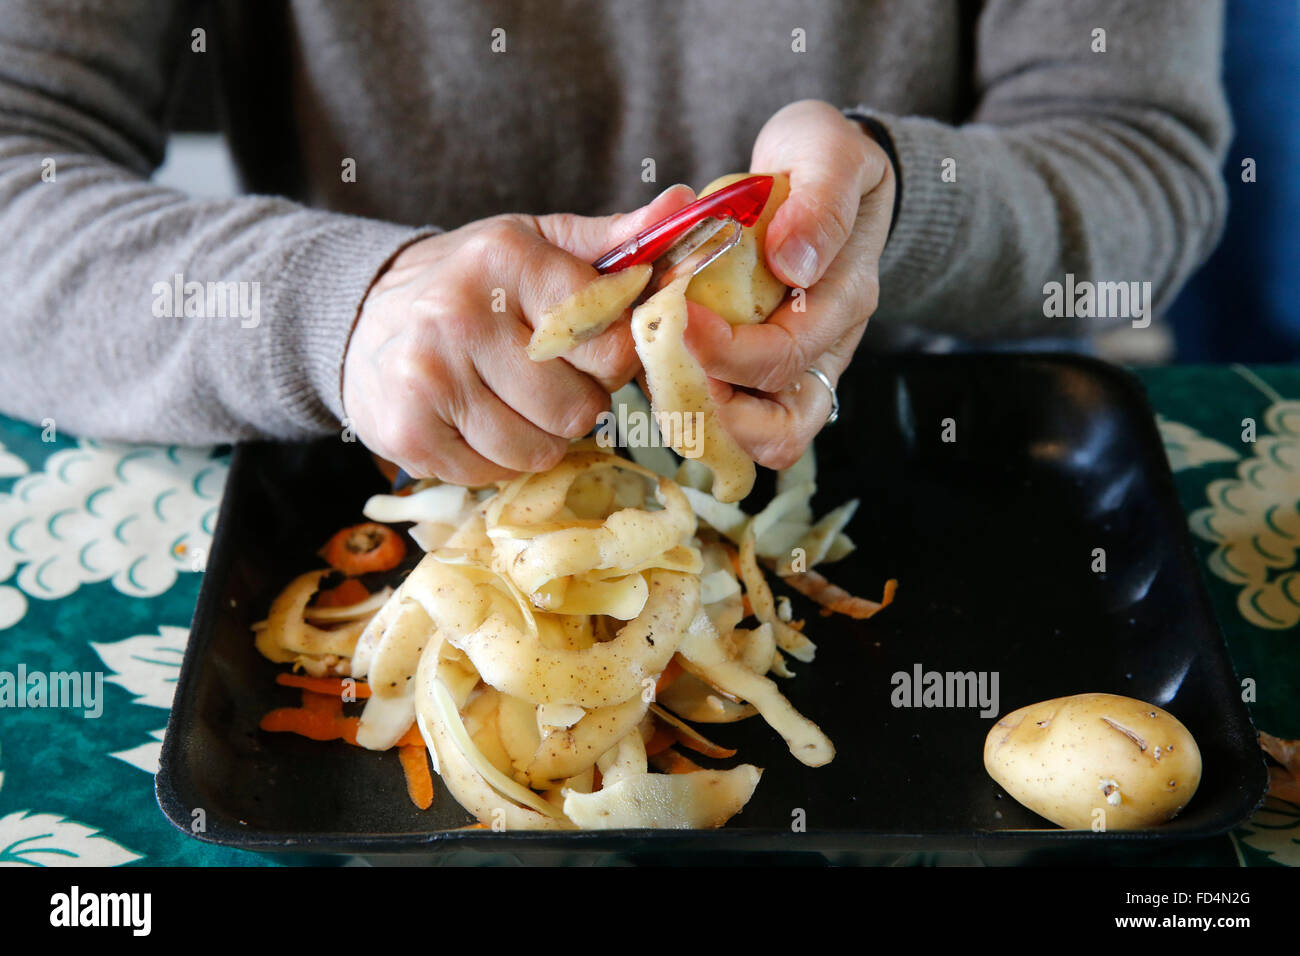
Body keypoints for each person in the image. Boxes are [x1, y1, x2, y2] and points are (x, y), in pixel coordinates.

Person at [0, 1, 1229, 484]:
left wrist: (898, 199)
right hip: (366, 467)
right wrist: (342, 305)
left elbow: (1140, 155)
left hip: (911, 462)